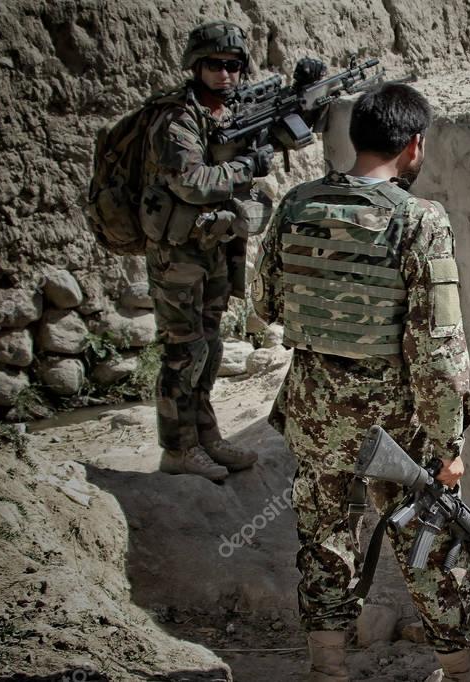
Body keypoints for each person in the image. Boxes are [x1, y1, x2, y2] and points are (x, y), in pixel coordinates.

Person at [253, 83, 470, 682]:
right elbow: (437, 349)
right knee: (430, 544)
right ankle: (461, 672)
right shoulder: (420, 220)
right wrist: (448, 446)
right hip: (396, 428)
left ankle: (328, 669)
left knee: (325, 541)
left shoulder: (297, 203)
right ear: (414, 145)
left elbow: (265, 304)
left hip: (316, 413)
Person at [142, 21, 293, 481]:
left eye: (233, 65)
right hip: (178, 255)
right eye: (214, 65)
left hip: (214, 247)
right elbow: (191, 182)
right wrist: (248, 165)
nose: (225, 74)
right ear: (196, 65)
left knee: (208, 346)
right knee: (182, 351)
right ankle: (177, 448)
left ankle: (205, 436)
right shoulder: (176, 118)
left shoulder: (230, 112)